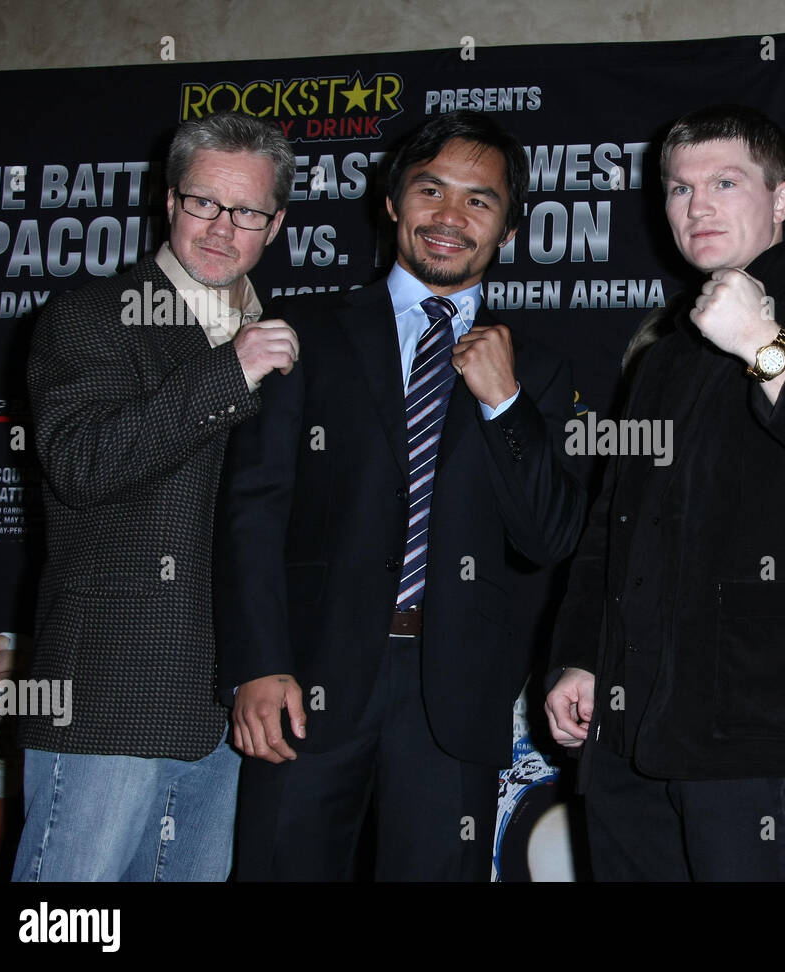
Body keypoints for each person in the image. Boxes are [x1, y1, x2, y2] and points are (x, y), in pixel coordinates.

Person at [213, 110, 585, 881]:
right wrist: (256, 663)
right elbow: (254, 510)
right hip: (306, 684)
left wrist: (504, 404)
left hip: (454, 695)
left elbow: (548, 537)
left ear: (508, 230)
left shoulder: (539, 370)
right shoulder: (305, 333)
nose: (450, 218)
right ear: (392, 202)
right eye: (431, 190)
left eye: (479, 201)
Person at [545, 104, 785, 881]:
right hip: (631, 722)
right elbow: (611, 529)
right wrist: (579, 658)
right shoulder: (662, 358)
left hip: (759, 721)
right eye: (678, 190)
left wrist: (766, 348)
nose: (697, 206)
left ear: (781, 201)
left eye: (724, 182)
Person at [12, 111, 298, 881]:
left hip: (231, 708)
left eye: (245, 213)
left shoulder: (291, 347)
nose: (219, 229)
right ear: (169, 202)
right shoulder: (92, 315)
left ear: (273, 226)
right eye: (204, 202)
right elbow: (83, 462)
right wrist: (229, 372)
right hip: (110, 692)